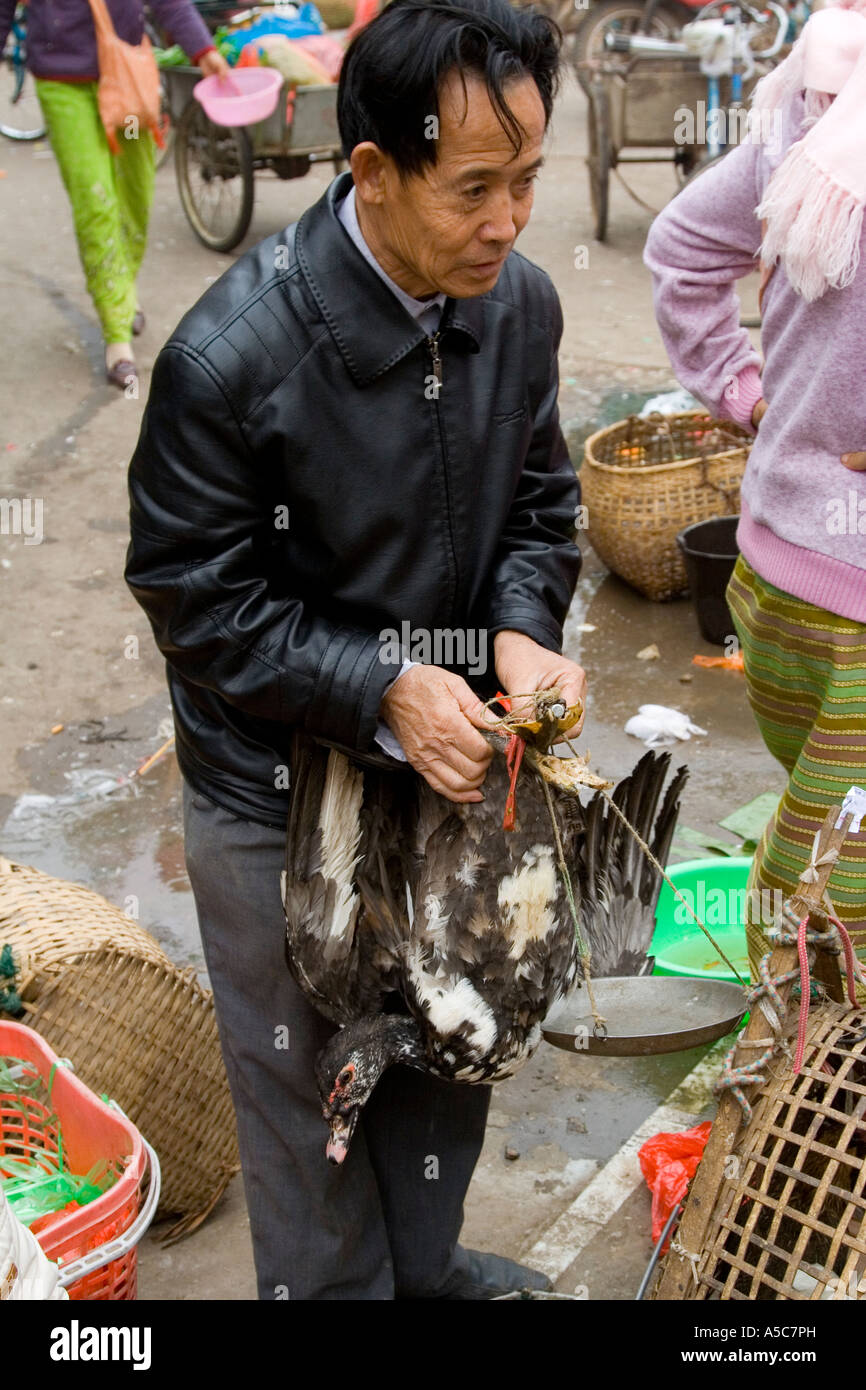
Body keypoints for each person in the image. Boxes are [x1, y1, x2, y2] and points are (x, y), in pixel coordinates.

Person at [125, 0, 587, 1299]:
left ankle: (423, 1272)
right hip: (274, 795)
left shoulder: (518, 306)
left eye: (530, 180)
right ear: (371, 173)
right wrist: (379, 682)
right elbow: (193, 594)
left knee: (445, 1050)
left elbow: (542, 509)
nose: (509, 221)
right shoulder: (230, 359)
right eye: (475, 188)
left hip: (452, 776)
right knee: (313, 1109)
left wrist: (522, 629)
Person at [644, 1, 866, 987]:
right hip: (823, 603)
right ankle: (799, 1113)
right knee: (817, 915)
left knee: (817, 888)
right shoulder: (812, 105)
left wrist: (752, 396)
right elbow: (684, 249)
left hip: (774, 577)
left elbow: (681, 246)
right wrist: (748, 390)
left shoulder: (821, 86)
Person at [0, 0, 228, 388]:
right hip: (64, 86)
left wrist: (204, 51)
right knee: (96, 200)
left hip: (128, 81)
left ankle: (123, 288)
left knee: (135, 192)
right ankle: (117, 334)